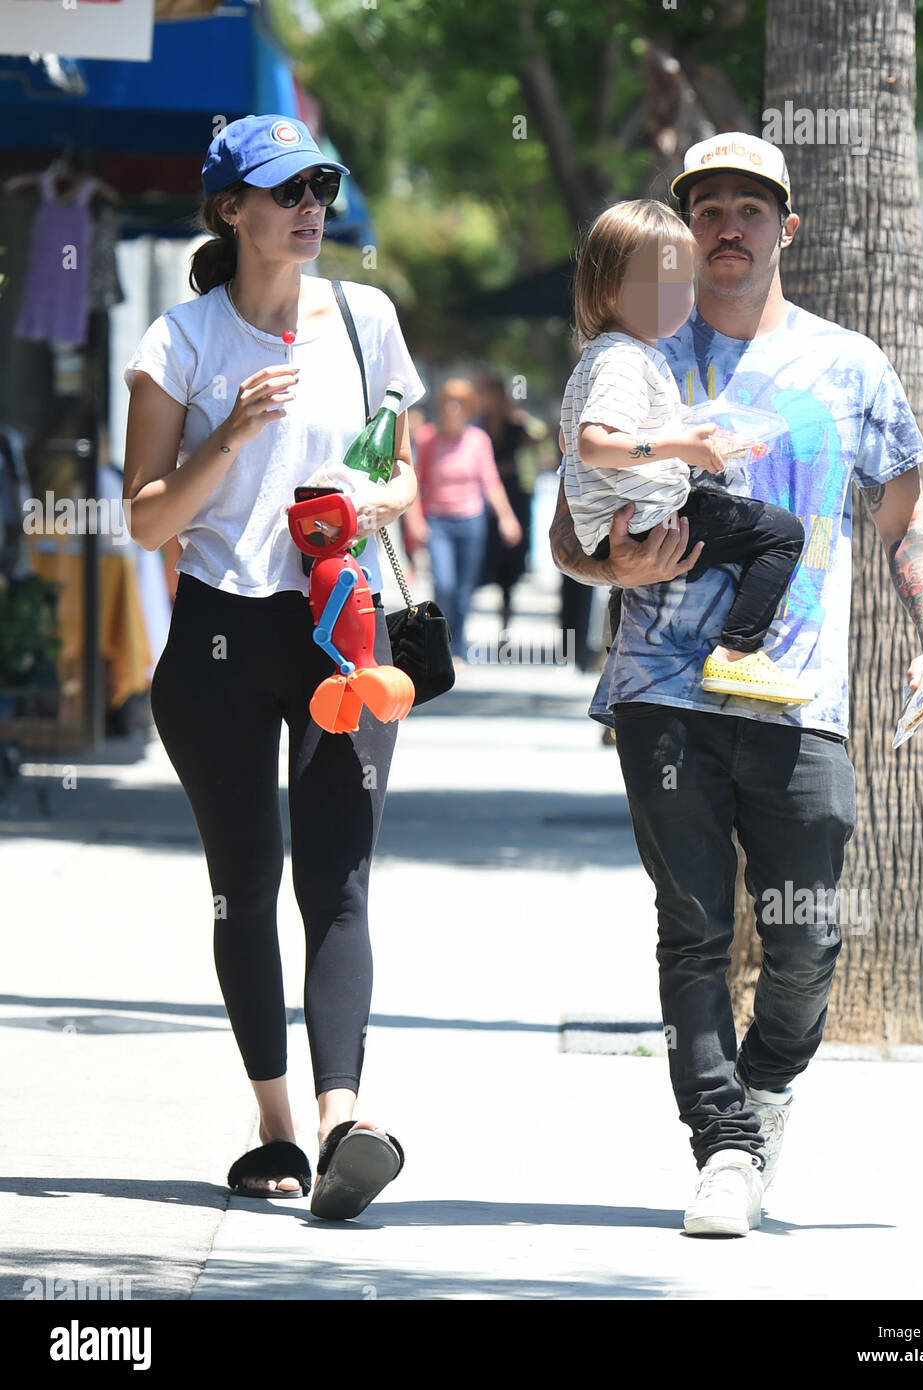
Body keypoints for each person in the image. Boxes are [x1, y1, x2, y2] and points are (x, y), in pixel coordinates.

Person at [549, 132, 923, 1236]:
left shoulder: (848, 365)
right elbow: (568, 529)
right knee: (689, 928)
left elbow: (903, 516)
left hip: (799, 698)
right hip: (662, 691)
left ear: (786, 228)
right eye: (707, 209)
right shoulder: (637, 352)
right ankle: (722, 1147)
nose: (726, 224)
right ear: (684, 233)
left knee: (806, 938)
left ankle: (764, 1088)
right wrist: (610, 564)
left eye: (749, 207)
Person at [121, 114, 426, 1219]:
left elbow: (400, 477)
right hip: (215, 639)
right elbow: (149, 521)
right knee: (243, 886)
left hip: (342, 627)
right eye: (284, 189)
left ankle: (347, 1118)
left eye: (321, 185)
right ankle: (277, 1130)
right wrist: (232, 436)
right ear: (231, 210)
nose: (310, 205)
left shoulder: (365, 318)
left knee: (337, 880)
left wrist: (377, 501)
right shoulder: (179, 343)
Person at [560, 198, 812, 704]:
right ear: (613, 285)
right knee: (782, 534)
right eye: (668, 283)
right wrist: (681, 445)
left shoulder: (618, 353)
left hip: (633, 519)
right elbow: (593, 444)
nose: (684, 296)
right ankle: (737, 655)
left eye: (685, 281)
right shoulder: (624, 359)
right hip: (645, 521)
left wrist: (700, 440)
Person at [406, 378, 522, 662]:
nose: (452, 407)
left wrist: (507, 518)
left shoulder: (478, 440)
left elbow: (491, 483)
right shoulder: (427, 438)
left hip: (472, 520)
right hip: (438, 521)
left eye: (459, 402)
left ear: (468, 407)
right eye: (448, 401)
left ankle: (457, 649)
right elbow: (413, 482)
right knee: (444, 584)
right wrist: (413, 522)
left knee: (465, 589)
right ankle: (440, 644)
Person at [475, 372, 537, 632]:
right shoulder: (477, 424)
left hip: (513, 493)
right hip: (485, 495)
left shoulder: (515, 422)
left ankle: (506, 609)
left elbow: (536, 441)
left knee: (511, 556)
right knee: (486, 553)